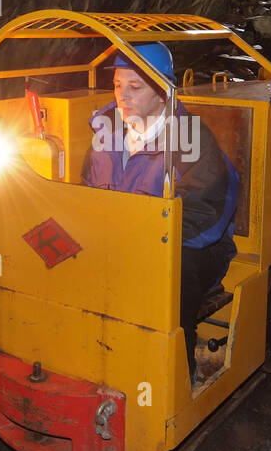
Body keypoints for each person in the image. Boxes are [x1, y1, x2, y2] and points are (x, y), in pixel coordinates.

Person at [80, 42, 239, 384]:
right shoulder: (105, 129)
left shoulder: (189, 137)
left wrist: (146, 240)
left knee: (171, 278)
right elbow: (87, 190)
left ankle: (176, 378)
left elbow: (207, 208)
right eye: (118, 85)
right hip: (122, 239)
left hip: (190, 243)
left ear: (163, 91)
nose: (124, 95)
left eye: (135, 87)